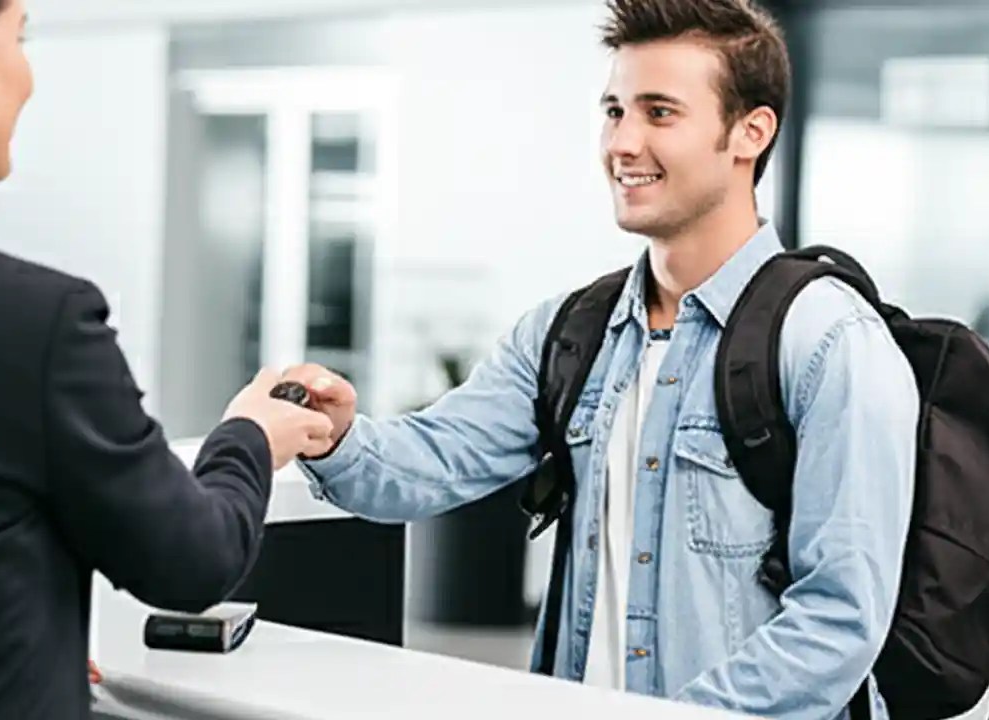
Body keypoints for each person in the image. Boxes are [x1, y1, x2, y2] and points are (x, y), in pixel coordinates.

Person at [291, 0, 917, 718]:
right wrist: (334, 435)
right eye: (614, 110)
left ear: (751, 132)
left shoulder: (832, 343)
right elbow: (432, 462)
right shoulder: (571, 332)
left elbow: (840, 620)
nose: (622, 141)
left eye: (659, 113)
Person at [0, 1, 334, 717]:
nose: (30, 77)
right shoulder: (36, 322)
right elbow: (191, 561)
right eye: (20, 40)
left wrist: (40, 632)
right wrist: (251, 435)